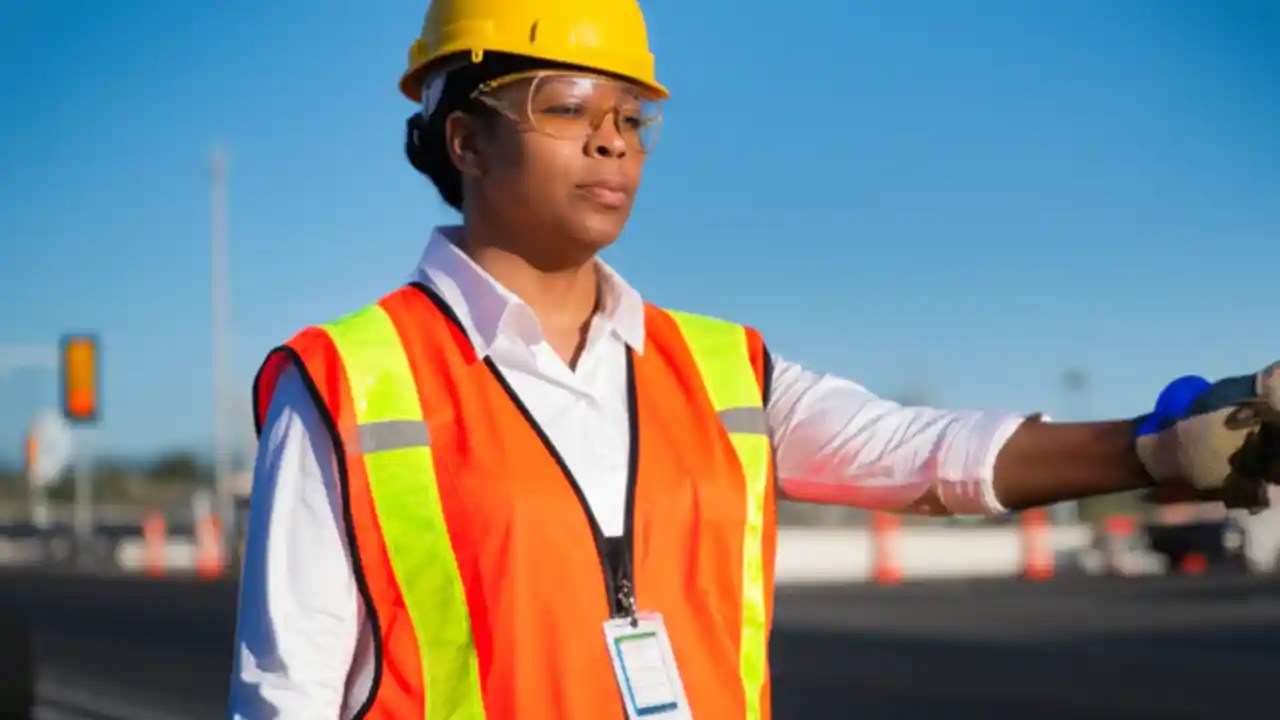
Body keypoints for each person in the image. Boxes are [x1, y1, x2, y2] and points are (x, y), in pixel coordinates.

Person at [227, 1, 1280, 718]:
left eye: (629, 117)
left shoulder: (720, 369)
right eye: (566, 107)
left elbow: (920, 454)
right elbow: (285, 691)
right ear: (462, 139)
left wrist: (1158, 447)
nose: (613, 141)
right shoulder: (348, 381)